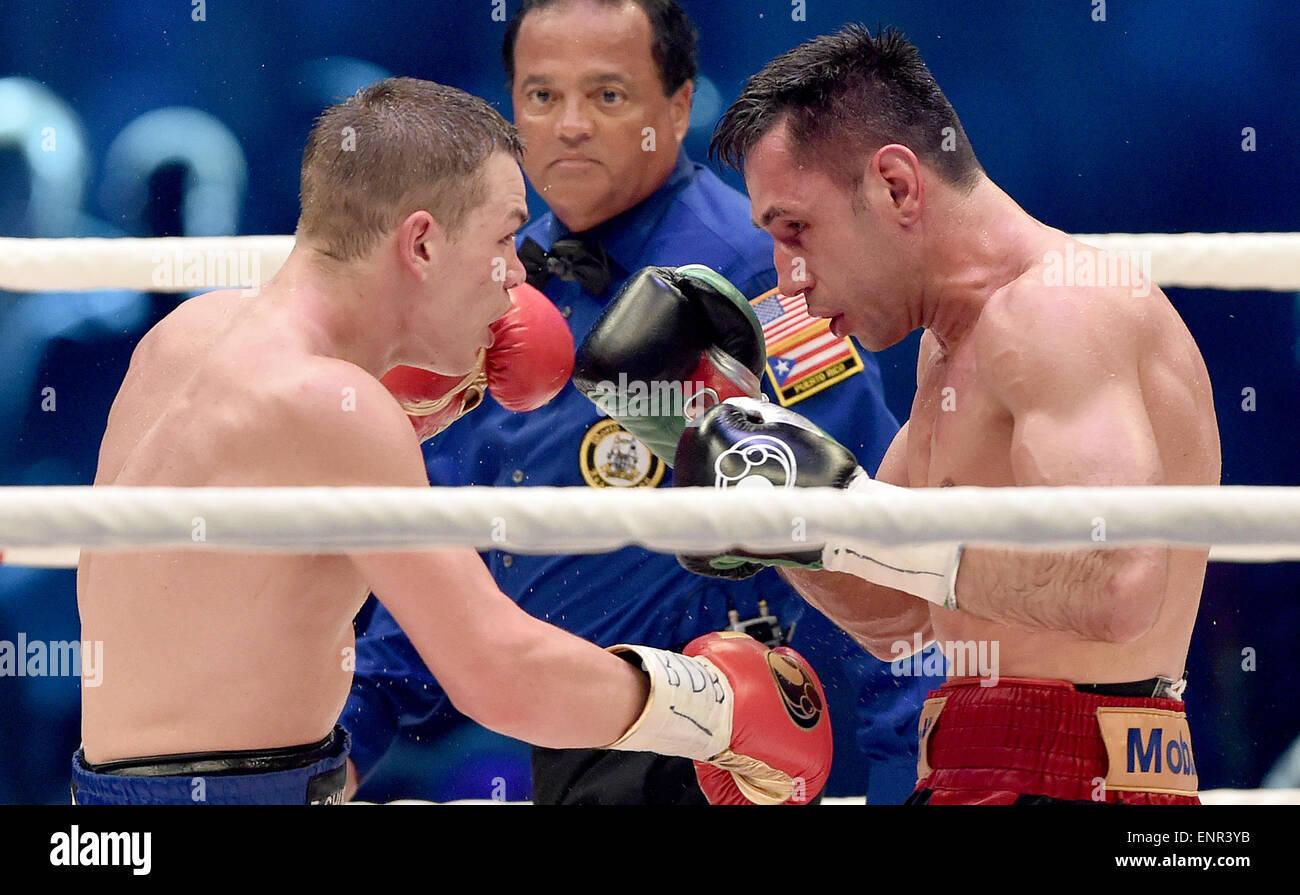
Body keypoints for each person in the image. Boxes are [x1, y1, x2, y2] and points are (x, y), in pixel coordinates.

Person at [71, 77, 832, 805]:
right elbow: (499, 670)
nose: (514, 280)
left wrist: (412, 407)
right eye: (505, 237)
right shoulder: (331, 408)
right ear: (423, 244)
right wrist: (717, 706)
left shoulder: (191, 336)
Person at [342, 0, 941, 806]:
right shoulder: (497, 278)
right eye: (542, 96)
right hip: (553, 740)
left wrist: (914, 772)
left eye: (609, 96)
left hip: (716, 741)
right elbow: (441, 531)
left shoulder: (756, 270)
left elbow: (868, 525)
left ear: (680, 106)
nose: (571, 125)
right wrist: (350, 738)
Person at [608, 23, 1222, 804]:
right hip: (977, 762)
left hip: (1079, 774)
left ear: (897, 185)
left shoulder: (1055, 308)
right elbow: (898, 616)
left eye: (795, 228)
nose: (787, 278)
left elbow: (1117, 582)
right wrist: (764, 492)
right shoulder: (952, 347)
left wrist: (839, 511)